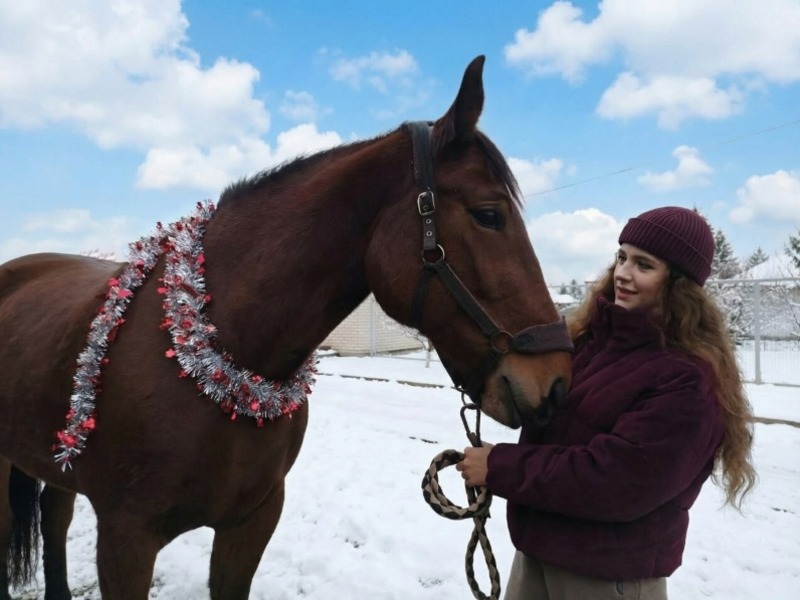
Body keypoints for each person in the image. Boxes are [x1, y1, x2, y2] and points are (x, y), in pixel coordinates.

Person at [456, 206, 757, 600]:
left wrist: (499, 466)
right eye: (622, 257)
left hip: (606, 579)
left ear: (678, 284)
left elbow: (617, 482)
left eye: (644, 265)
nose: (623, 274)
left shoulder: (689, 379)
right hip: (537, 558)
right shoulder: (589, 342)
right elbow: (547, 422)